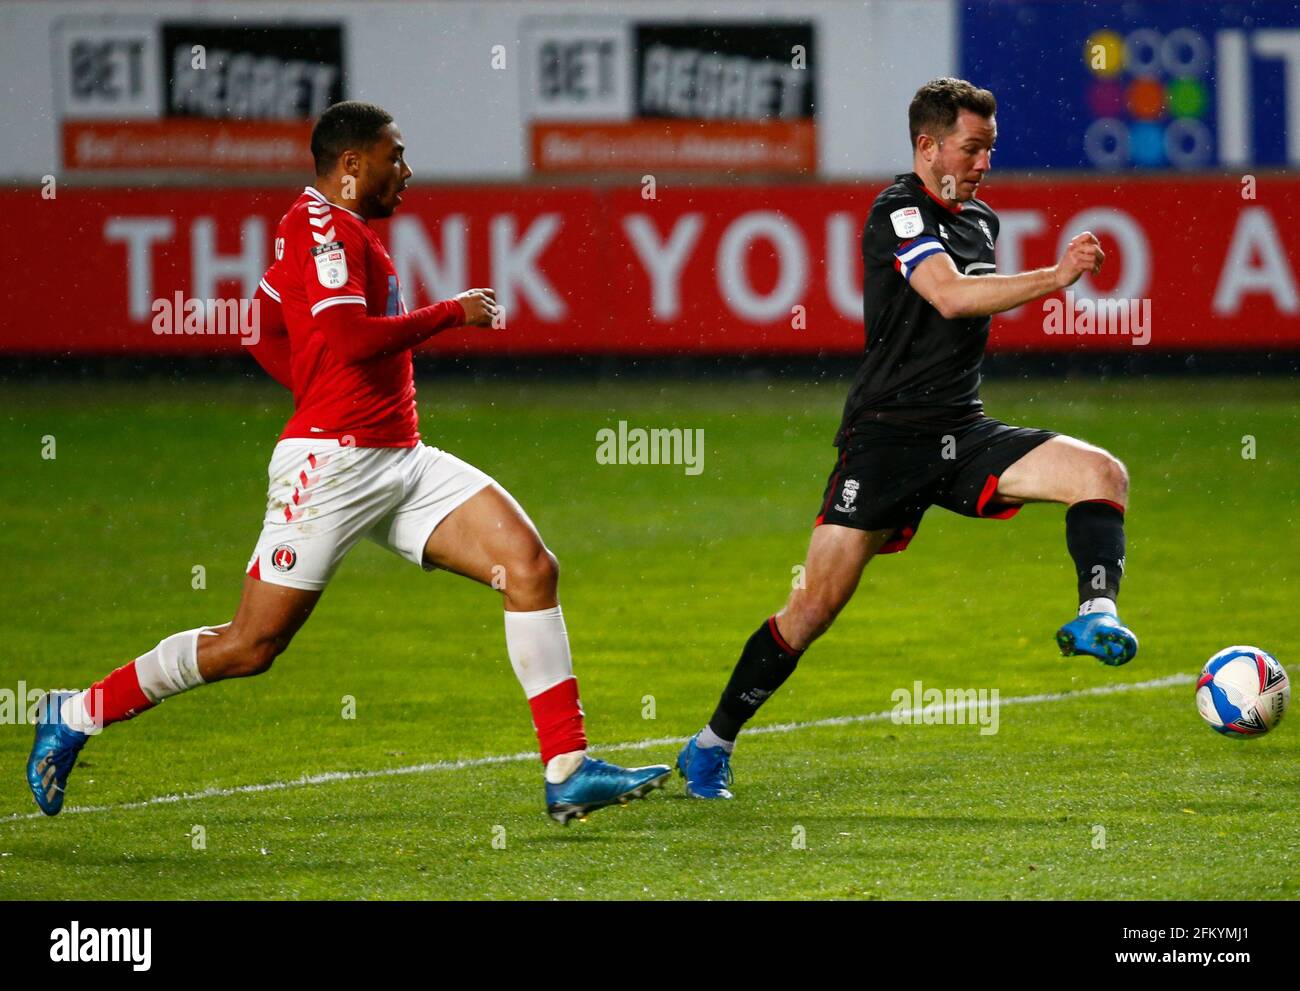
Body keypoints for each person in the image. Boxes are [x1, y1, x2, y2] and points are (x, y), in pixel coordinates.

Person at [28, 100, 669, 825]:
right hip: (331, 467)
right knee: (250, 644)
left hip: (400, 458)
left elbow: (261, 325)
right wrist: (451, 312)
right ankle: (75, 712)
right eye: (395, 155)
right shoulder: (323, 226)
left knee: (530, 567)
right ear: (351, 165)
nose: (407, 170)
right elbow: (348, 337)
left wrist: (317, 384)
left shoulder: (325, 227)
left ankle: (568, 768)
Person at [677, 78, 1136, 800]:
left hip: (962, 430)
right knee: (811, 611)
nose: (984, 161)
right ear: (927, 146)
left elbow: (966, 302)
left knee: (1101, 472)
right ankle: (710, 744)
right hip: (885, 443)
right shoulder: (896, 211)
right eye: (971, 146)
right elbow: (949, 294)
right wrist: (1055, 276)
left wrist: (1044, 276)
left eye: (991, 147)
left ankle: (1095, 612)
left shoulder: (980, 220)